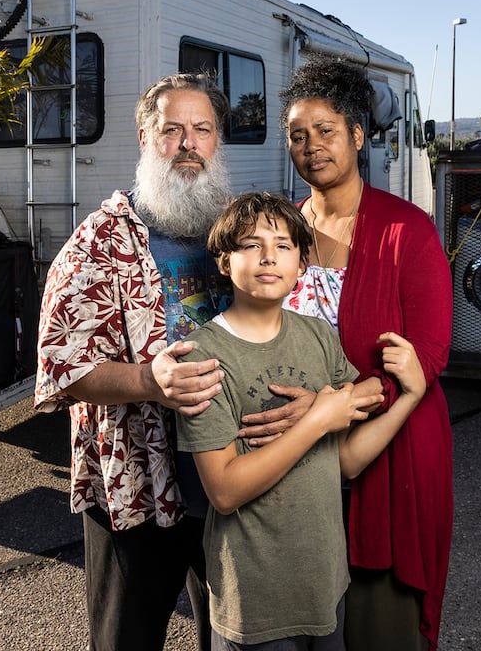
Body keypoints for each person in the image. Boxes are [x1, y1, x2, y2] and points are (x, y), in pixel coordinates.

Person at [247, 58, 455, 651]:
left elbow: (430, 352)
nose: (311, 146)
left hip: (389, 451)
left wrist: (339, 403)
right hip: (297, 455)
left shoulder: (407, 230)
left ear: (358, 136)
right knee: (305, 619)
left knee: (376, 624)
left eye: (326, 131)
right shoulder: (284, 231)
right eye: (298, 135)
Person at [34, 73, 235, 651]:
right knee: (127, 638)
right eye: (172, 130)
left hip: (227, 484)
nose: (188, 144)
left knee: (230, 636)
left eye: (202, 129)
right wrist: (150, 380)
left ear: (217, 140)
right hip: (136, 486)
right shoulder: (100, 242)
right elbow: (62, 366)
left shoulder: (239, 230)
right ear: (145, 137)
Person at [177, 192, 426, 649]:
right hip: (255, 601)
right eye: (251, 245)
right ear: (224, 262)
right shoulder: (203, 357)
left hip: (325, 586)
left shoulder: (317, 337)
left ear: (301, 264)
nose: (269, 256)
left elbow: (347, 459)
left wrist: (411, 396)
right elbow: (225, 492)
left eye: (283, 245)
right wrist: (316, 419)